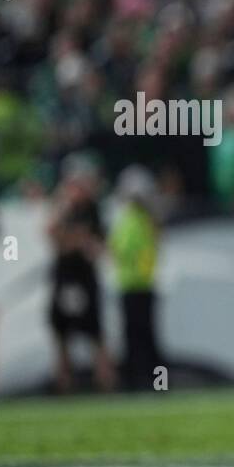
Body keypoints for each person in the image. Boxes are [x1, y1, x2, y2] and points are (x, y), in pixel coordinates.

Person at [47, 154, 116, 392]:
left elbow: (100, 247)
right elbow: (52, 235)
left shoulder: (93, 209)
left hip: (85, 275)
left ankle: (106, 384)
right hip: (65, 275)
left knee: (96, 333)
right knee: (61, 334)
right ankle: (64, 386)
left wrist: (83, 244)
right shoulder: (64, 207)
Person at [109, 165, 163, 391]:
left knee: (144, 337)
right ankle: (138, 382)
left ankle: (152, 382)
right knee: (136, 337)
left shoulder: (138, 219)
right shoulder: (131, 219)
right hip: (131, 284)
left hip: (140, 284)